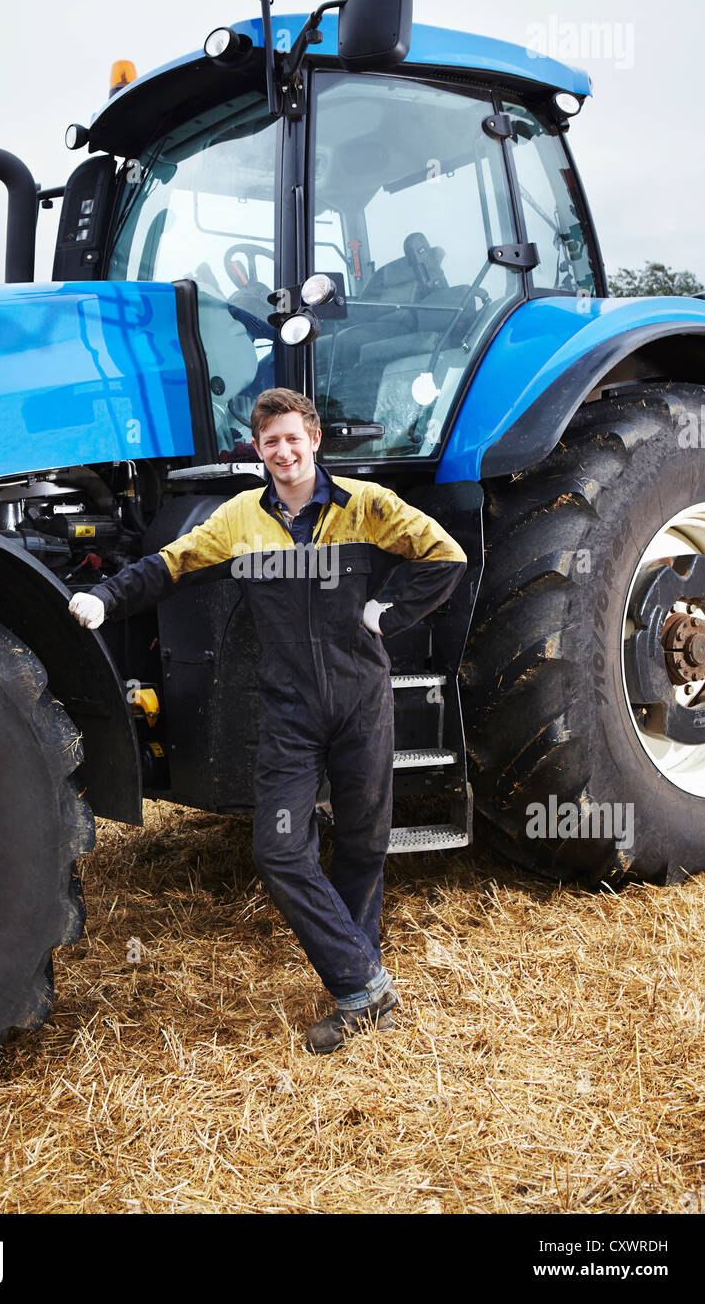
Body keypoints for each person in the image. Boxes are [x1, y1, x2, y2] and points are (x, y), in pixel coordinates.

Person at [69, 389, 467, 1053]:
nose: (283, 451)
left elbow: (444, 555)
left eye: (292, 438)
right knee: (280, 848)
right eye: (270, 442)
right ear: (258, 452)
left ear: (313, 439)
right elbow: (171, 564)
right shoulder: (239, 521)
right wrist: (106, 597)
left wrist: (389, 615)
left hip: (361, 702)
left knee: (365, 846)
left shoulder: (367, 507)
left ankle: (356, 989)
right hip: (291, 712)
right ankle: (366, 983)